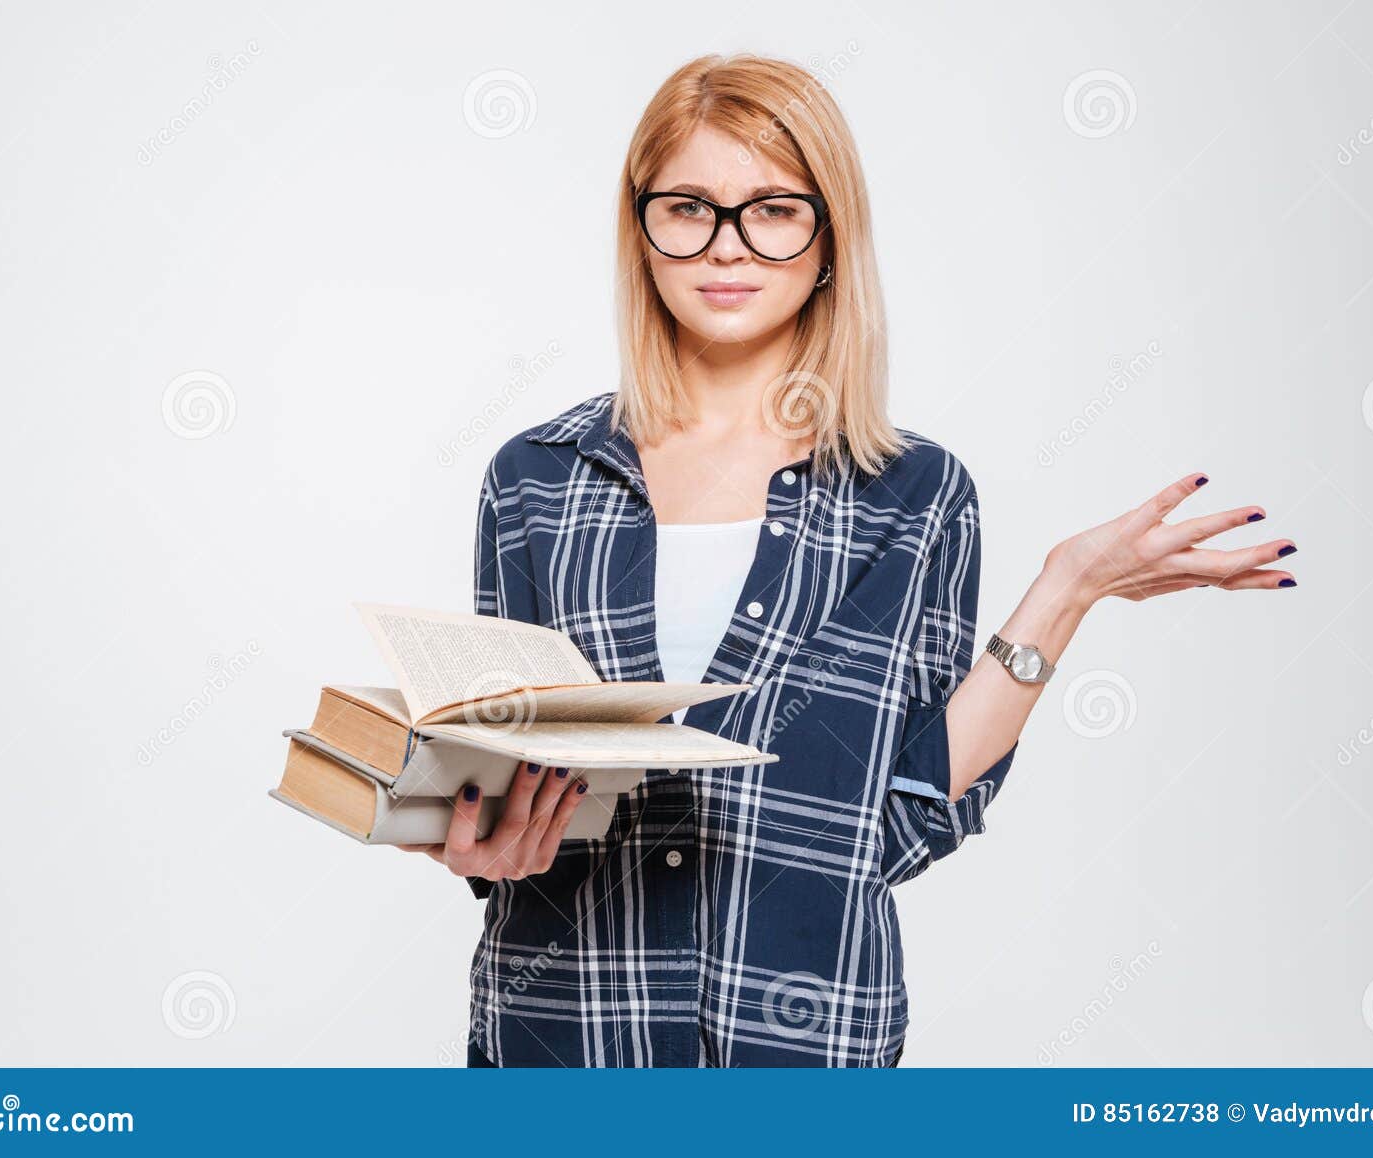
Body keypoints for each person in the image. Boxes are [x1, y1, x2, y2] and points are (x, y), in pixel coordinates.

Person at [400, 53, 1297, 1067]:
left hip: (805, 1050)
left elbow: (905, 824)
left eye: (773, 210)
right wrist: (474, 836)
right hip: (560, 1041)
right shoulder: (537, 480)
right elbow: (505, 765)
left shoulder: (912, 496)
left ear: (828, 237)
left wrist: (1067, 590)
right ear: (640, 227)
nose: (724, 248)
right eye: (688, 207)